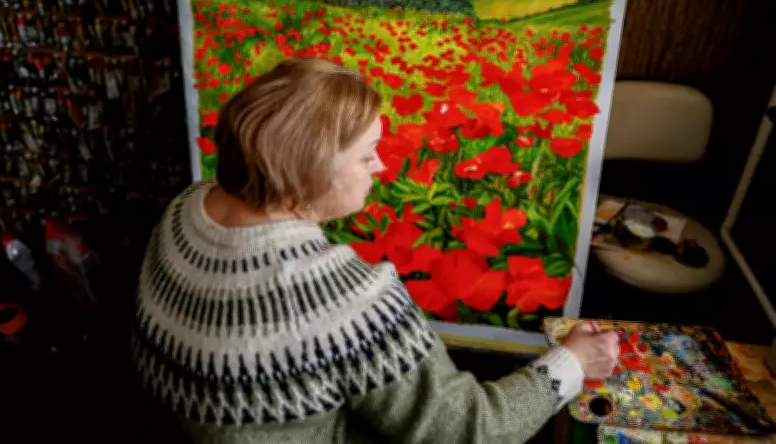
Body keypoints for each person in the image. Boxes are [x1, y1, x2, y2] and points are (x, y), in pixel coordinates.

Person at [132, 58, 620, 444]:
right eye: (367, 154)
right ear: (312, 171)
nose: (382, 167)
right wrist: (572, 363)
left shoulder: (188, 206)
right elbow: (472, 430)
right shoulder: (343, 303)